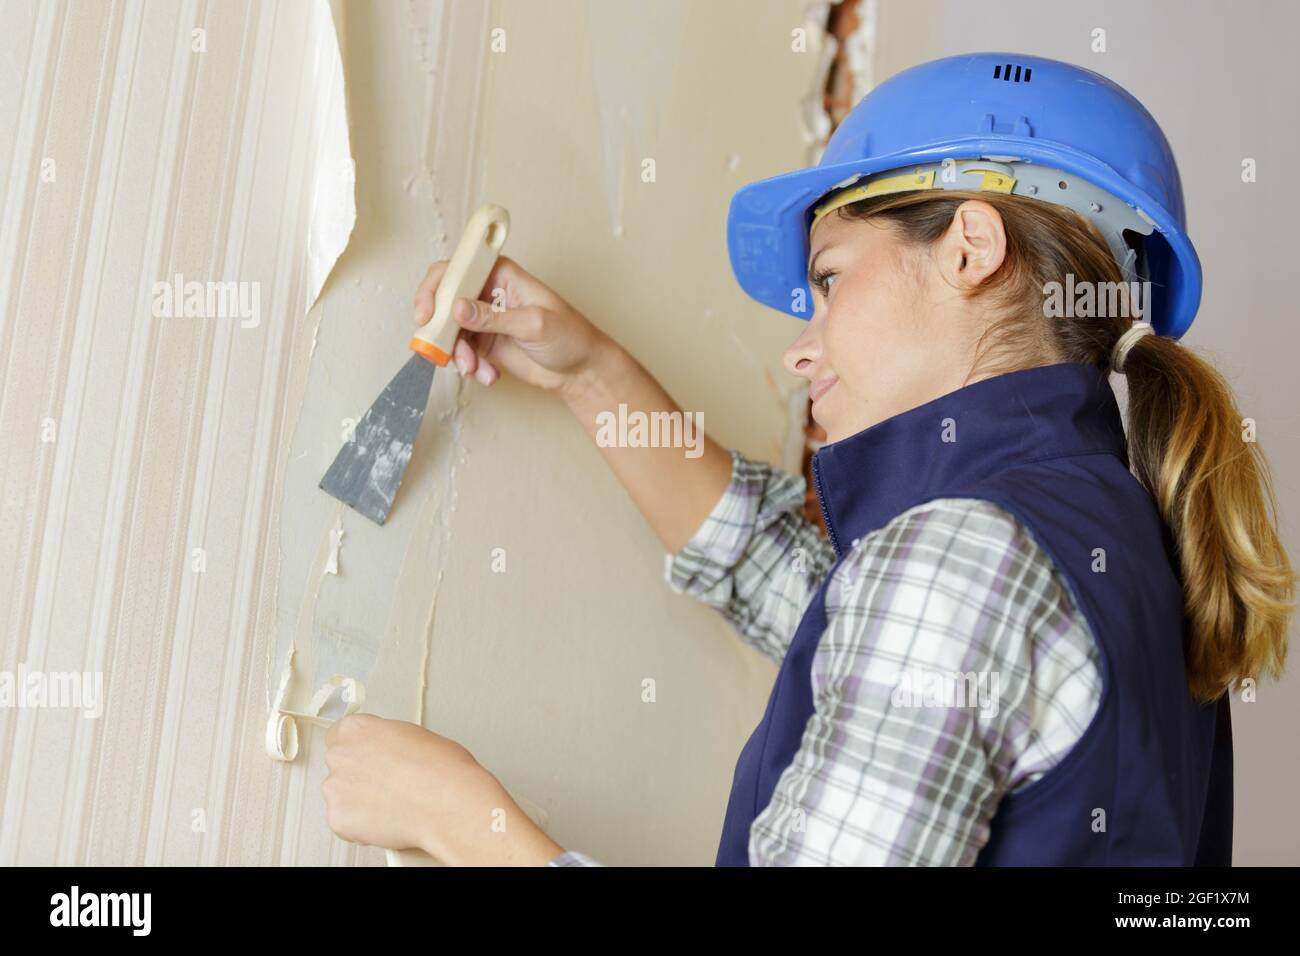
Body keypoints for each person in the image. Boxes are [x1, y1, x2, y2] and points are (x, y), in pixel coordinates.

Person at [320, 53, 1294, 866]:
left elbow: (910, 612)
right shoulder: (1106, 544)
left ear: (968, 247)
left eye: (828, 280)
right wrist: (592, 373)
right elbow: (802, 592)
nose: (800, 346)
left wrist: (455, 816)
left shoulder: (965, 556)